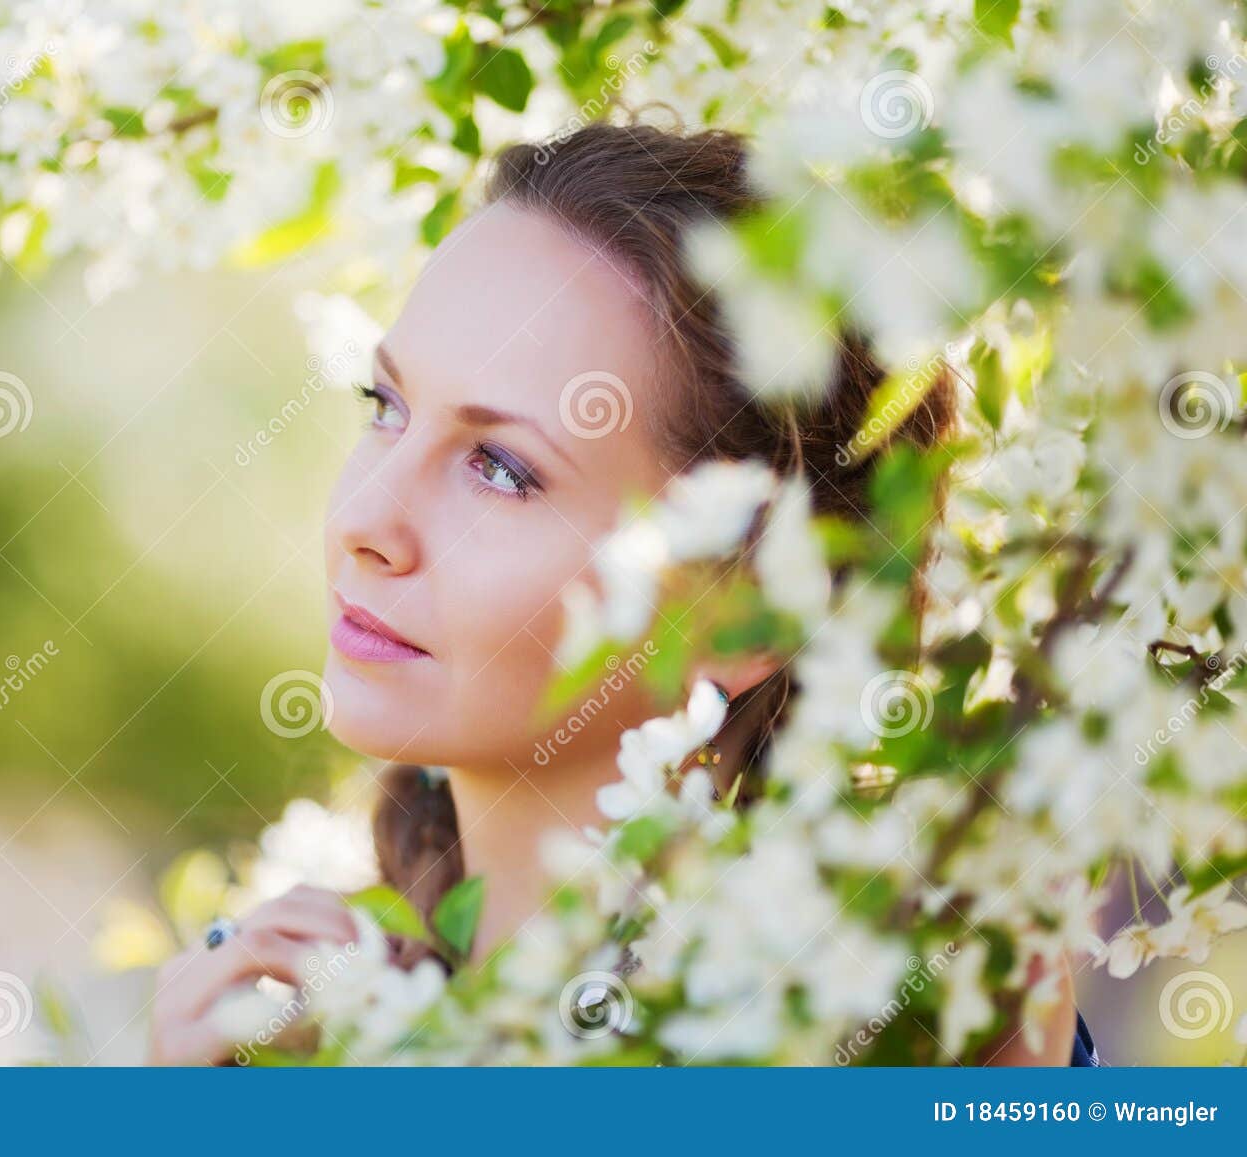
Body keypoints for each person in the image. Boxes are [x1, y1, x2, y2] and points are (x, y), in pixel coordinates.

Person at [148, 120, 1099, 1067]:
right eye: (385, 407)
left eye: (502, 470)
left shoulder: (865, 1043)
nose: (366, 520)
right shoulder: (298, 1036)